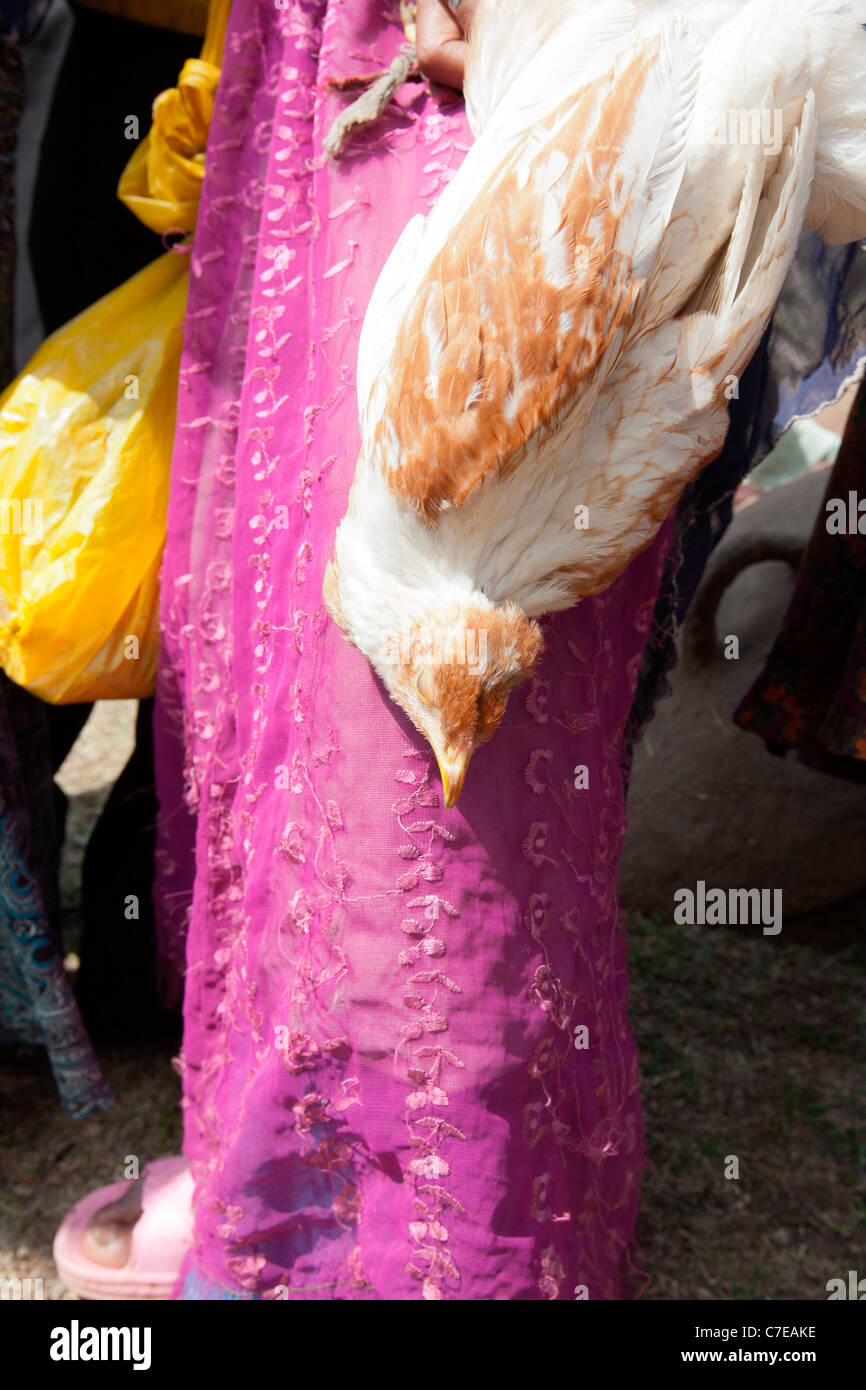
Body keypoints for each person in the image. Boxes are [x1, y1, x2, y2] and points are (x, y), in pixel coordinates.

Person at [57, 0, 866, 1299]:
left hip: (482, 69)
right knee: (309, 677)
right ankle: (304, 1191)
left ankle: (440, 1244)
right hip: (353, 60)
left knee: (431, 779)